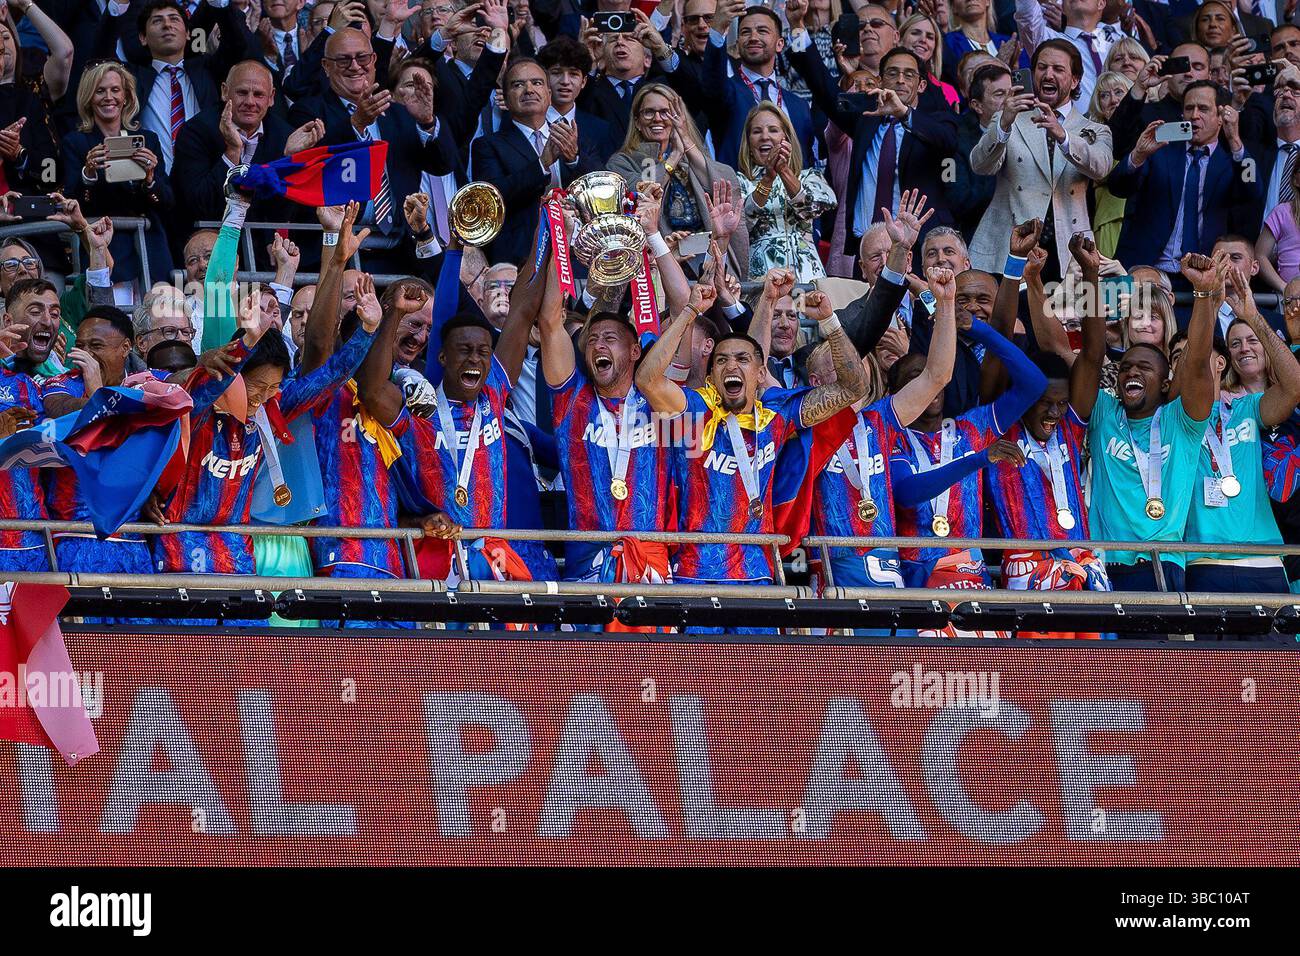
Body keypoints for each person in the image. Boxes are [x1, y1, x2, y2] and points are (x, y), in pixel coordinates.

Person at [635, 280, 867, 591]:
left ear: (759, 374)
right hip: (694, 573)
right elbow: (648, 380)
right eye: (721, 361)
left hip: (756, 573)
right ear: (711, 376)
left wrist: (828, 320)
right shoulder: (694, 410)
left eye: (742, 360)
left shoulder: (777, 416)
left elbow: (854, 388)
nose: (732, 365)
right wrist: (689, 311)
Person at [805, 264, 957, 595]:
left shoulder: (881, 418)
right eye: (837, 364)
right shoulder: (802, 425)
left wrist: (945, 305)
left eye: (854, 360)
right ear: (815, 382)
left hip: (887, 561)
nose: (849, 368)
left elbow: (937, 376)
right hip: (832, 563)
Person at [1081, 251, 1222, 592]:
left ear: (1166, 382)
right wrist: (1090, 278)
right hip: (1106, 562)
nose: (1132, 371)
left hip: (1165, 563)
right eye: (1127, 367)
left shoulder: (1183, 421)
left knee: (1161, 648)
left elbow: (1199, 362)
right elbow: (1091, 354)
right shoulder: (1104, 411)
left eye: (1145, 368)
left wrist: (1202, 295)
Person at [988, 235, 1111, 598]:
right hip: (1027, 569)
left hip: (1084, 565)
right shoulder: (1001, 428)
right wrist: (1015, 267)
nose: (1055, 412)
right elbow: (999, 340)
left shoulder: (1070, 427)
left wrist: (1091, 274)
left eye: (1061, 403)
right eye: (1046, 404)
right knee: (1038, 658)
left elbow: (1092, 354)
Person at [287, 25, 458, 272]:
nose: (355, 66)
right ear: (326, 66)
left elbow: (443, 164)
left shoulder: (399, 115)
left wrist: (427, 122)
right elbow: (312, 170)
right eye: (344, 60)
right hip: (335, 256)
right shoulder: (308, 111)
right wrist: (355, 124)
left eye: (362, 57)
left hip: (400, 253)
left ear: (374, 60)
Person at [785, 23, 959, 261]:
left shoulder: (936, 119)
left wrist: (905, 114)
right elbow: (821, 85)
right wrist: (797, 28)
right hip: (867, 247)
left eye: (909, 75)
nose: (900, 80)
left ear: (921, 85)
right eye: (892, 73)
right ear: (880, 80)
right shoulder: (865, 116)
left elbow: (949, 141)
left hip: (916, 248)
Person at [1182, 268, 1300, 593]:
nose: (1244, 348)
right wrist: (1204, 298)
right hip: (1204, 561)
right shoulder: (1172, 419)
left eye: (1251, 341)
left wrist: (1252, 315)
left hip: (1267, 559)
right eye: (1235, 343)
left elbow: (1294, 387)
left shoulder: (1247, 407)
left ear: (1221, 365)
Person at [969, 38, 1113, 281]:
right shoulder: (1009, 117)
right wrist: (1004, 123)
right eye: (1042, 68)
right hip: (1010, 245)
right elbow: (980, 165)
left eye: (1058, 69)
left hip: (1067, 250)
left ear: (1075, 80)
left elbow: (1101, 168)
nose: (1048, 75)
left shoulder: (1094, 129)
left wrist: (1063, 135)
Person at [172, 60, 324, 268]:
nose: (250, 102)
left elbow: (280, 213)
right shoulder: (196, 132)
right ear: (225, 92)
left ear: (271, 98)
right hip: (207, 254)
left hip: (259, 252)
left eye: (259, 95)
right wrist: (232, 152)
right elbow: (200, 203)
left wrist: (289, 161)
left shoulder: (284, 136)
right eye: (242, 93)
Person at [1108, 82, 1261, 283]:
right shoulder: (1159, 151)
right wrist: (1137, 155)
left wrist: (1235, 140)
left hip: (1202, 275)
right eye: (1189, 108)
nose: (1194, 115)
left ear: (1220, 118)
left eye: (1203, 109)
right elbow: (1118, 187)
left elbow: (1253, 192)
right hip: (1145, 269)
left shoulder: (1233, 160)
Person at [470, 57, 600, 271]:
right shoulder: (487, 146)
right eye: (517, 84)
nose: (529, 89)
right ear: (505, 98)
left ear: (549, 94)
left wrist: (573, 159)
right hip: (520, 260)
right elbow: (492, 199)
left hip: (576, 257)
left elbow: (600, 190)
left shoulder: (577, 138)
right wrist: (542, 163)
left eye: (537, 83)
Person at [608, 83, 749, 278]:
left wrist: (685, 141)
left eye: (666, 112)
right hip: (657, 264)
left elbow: (723, 181)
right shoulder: (622, 161)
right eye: (649, 112)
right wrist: (673, 156)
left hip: (707, 260)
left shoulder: (693, 158)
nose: (657, 118)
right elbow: (643, 193)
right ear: (637, 121)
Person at [97, 0, 253, 174]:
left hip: (204, 176)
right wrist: (117, 7)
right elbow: (100, 58)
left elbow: (237, 46)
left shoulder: (208, 69)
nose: (167, 25)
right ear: (143, 38)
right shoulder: (131, 77)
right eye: (157, 21)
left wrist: (218, 4)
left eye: (174, 19)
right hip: (150, 180)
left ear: (187, 33)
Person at [61, 62, 175, 294]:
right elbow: (71, 201)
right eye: (100, 90)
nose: (108, 97)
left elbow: (168, 201)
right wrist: (89, 174)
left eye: (115, 90)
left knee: (157, 320)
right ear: (88, 98)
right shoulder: (76, 143)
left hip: (150, 248)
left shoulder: (147, 139)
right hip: (108, 248)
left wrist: (150, 179)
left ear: (126, 96)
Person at [665, 1, 814, 168]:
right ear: (737, 43)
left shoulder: (799, 106)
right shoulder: (726, 93)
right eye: (745, 32)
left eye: (762, 31)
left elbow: (808, 67)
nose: (753, 37)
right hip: (738, 192)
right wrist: (718, 29)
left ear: (780, 44)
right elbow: (712, 82)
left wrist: (797, 26)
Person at [735, 103, 836, 282]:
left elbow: (813, 209)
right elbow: (740, 225)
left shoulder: (808, 177)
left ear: (786, 139)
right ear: (748, 143)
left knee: (804, 310)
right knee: (768, 311)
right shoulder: (740, 181)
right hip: (762, 277)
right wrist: (767, 179)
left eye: (773, 130)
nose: (765, 136)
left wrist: (783, 171)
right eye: (757, 131)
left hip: (806, 275)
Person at [1013, 0, 1121, 106]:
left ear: (1101, 3)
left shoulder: (1117, 43)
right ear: (1063, 7)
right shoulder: (1048, 40)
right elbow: (1026, 15)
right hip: (1070, 123)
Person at [1087, 70, 1130, 259]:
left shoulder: (1149, 129)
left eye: (1119, 92)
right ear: (1099, 105)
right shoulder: (1090, 136)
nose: (1113, 100)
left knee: (1147, 287)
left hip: (1148, 220)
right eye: (1104, 95)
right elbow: (1100, 172)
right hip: (1111, 219)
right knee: (1113, 287)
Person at [898, 11, 960, 110]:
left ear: (935, 48)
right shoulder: (882, 78)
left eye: (930, 37)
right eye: (915, 33)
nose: (923, 40)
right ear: (899, 39)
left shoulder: (947, 91)